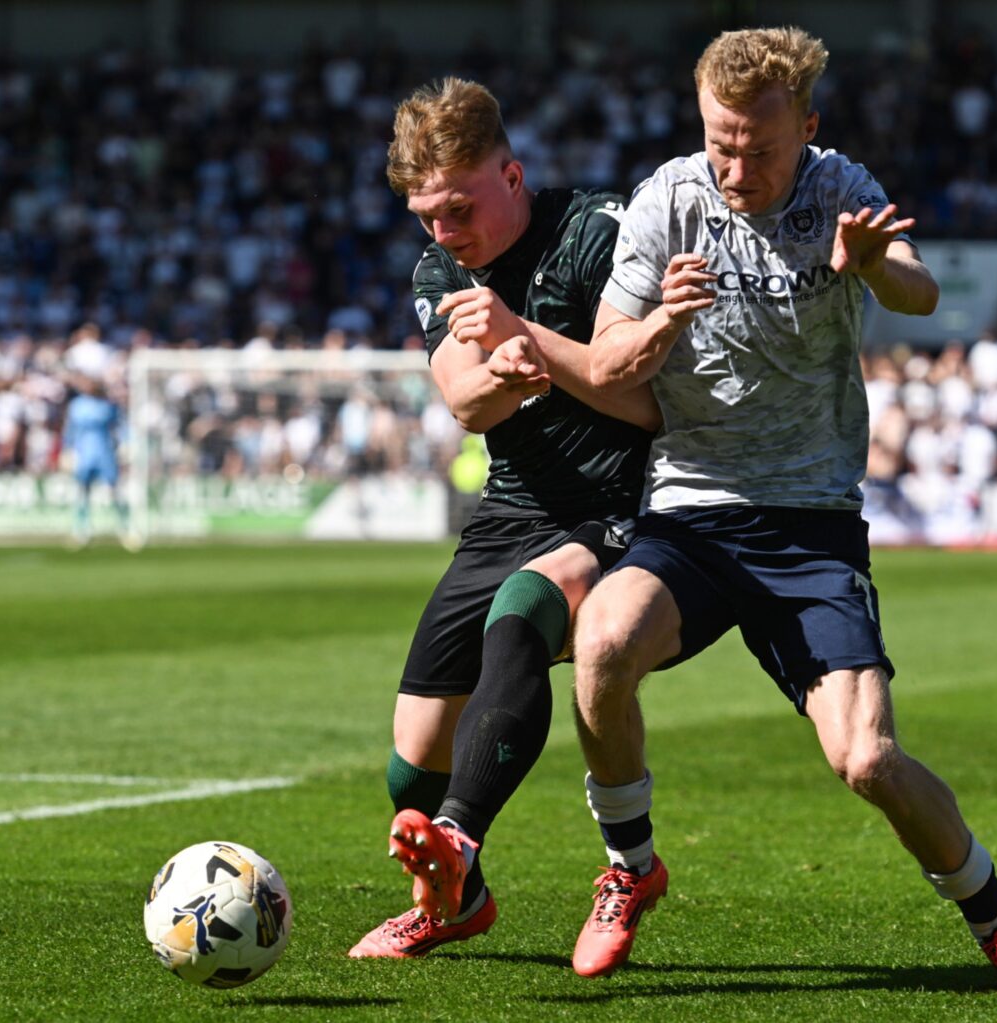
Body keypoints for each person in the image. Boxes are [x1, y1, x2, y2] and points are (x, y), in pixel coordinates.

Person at [565, 27, 997, 995]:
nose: (736, 164)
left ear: (808, 127)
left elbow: (916, 293)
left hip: (810, 522)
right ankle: (630, 865)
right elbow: (604, 355)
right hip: (694, 514)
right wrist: (663, 319)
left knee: (869, 759)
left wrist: (871, 266)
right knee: (601, 644)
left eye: (759, 144)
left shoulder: (841, 186)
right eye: (721, 142)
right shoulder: (669, 199)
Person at [347, 78, 661, 960]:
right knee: (410, 757)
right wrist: (505, 379)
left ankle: (462, 839)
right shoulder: (440, 270)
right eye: (425, 215)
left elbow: (652, 400)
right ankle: (460, 900)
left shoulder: (599, 231)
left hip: (614, 506)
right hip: (509, 510)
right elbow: (464, 400)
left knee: (525, 611)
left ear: (512, 174)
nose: (444, 232)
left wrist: (535, 345)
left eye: (458, 207)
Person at [61, 375, 136, 549]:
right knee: (83, 491)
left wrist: (127, 443)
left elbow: (121, 426)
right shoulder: (77, 406)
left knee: (114, 490)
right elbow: (70, 430)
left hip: (105, 451)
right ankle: (81, 529)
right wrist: (67, 450)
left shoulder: (108, 405)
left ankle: (125, 527)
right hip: (84, 453)